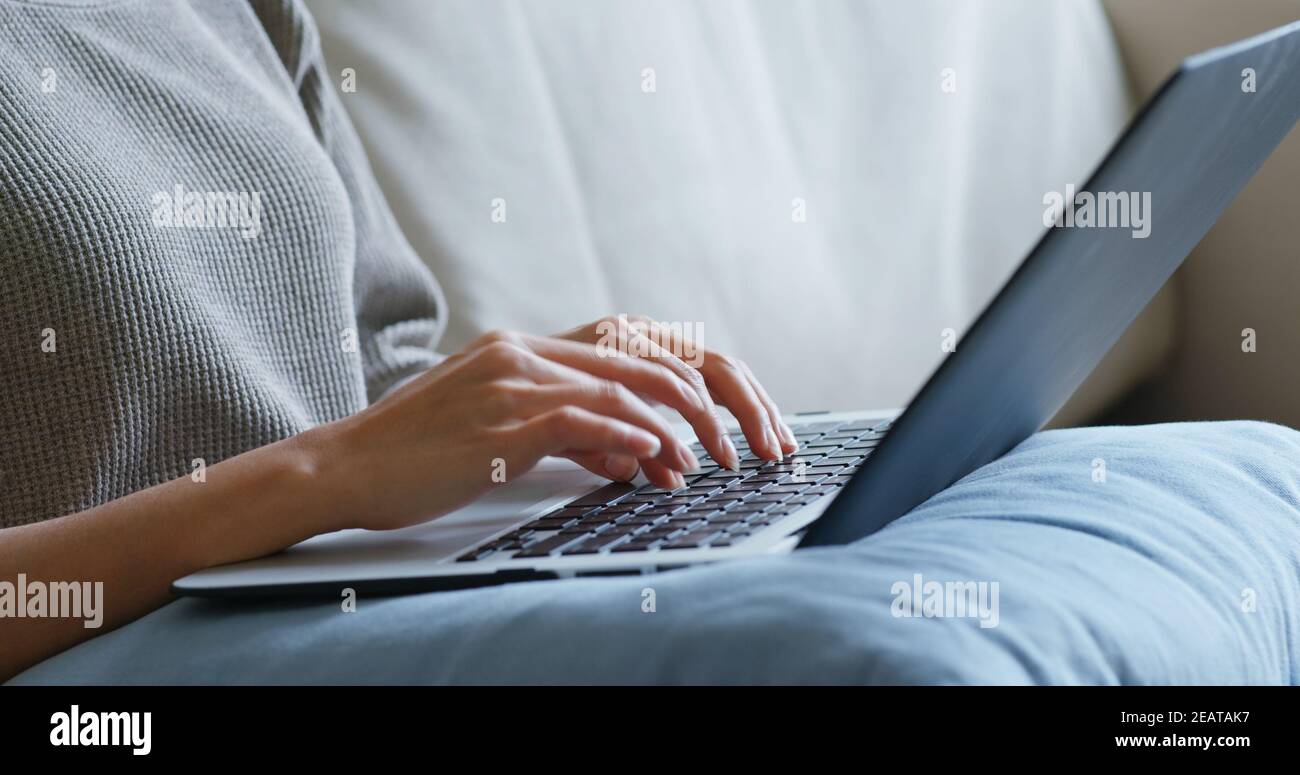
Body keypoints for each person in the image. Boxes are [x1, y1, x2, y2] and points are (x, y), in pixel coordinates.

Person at [0, 0, 797, 682]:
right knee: (809, 645)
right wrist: (323, 474)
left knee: (850, 553)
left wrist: (538, 400)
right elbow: (348, 455)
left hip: (359, 604)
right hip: (126, 673)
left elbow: (373, 365)